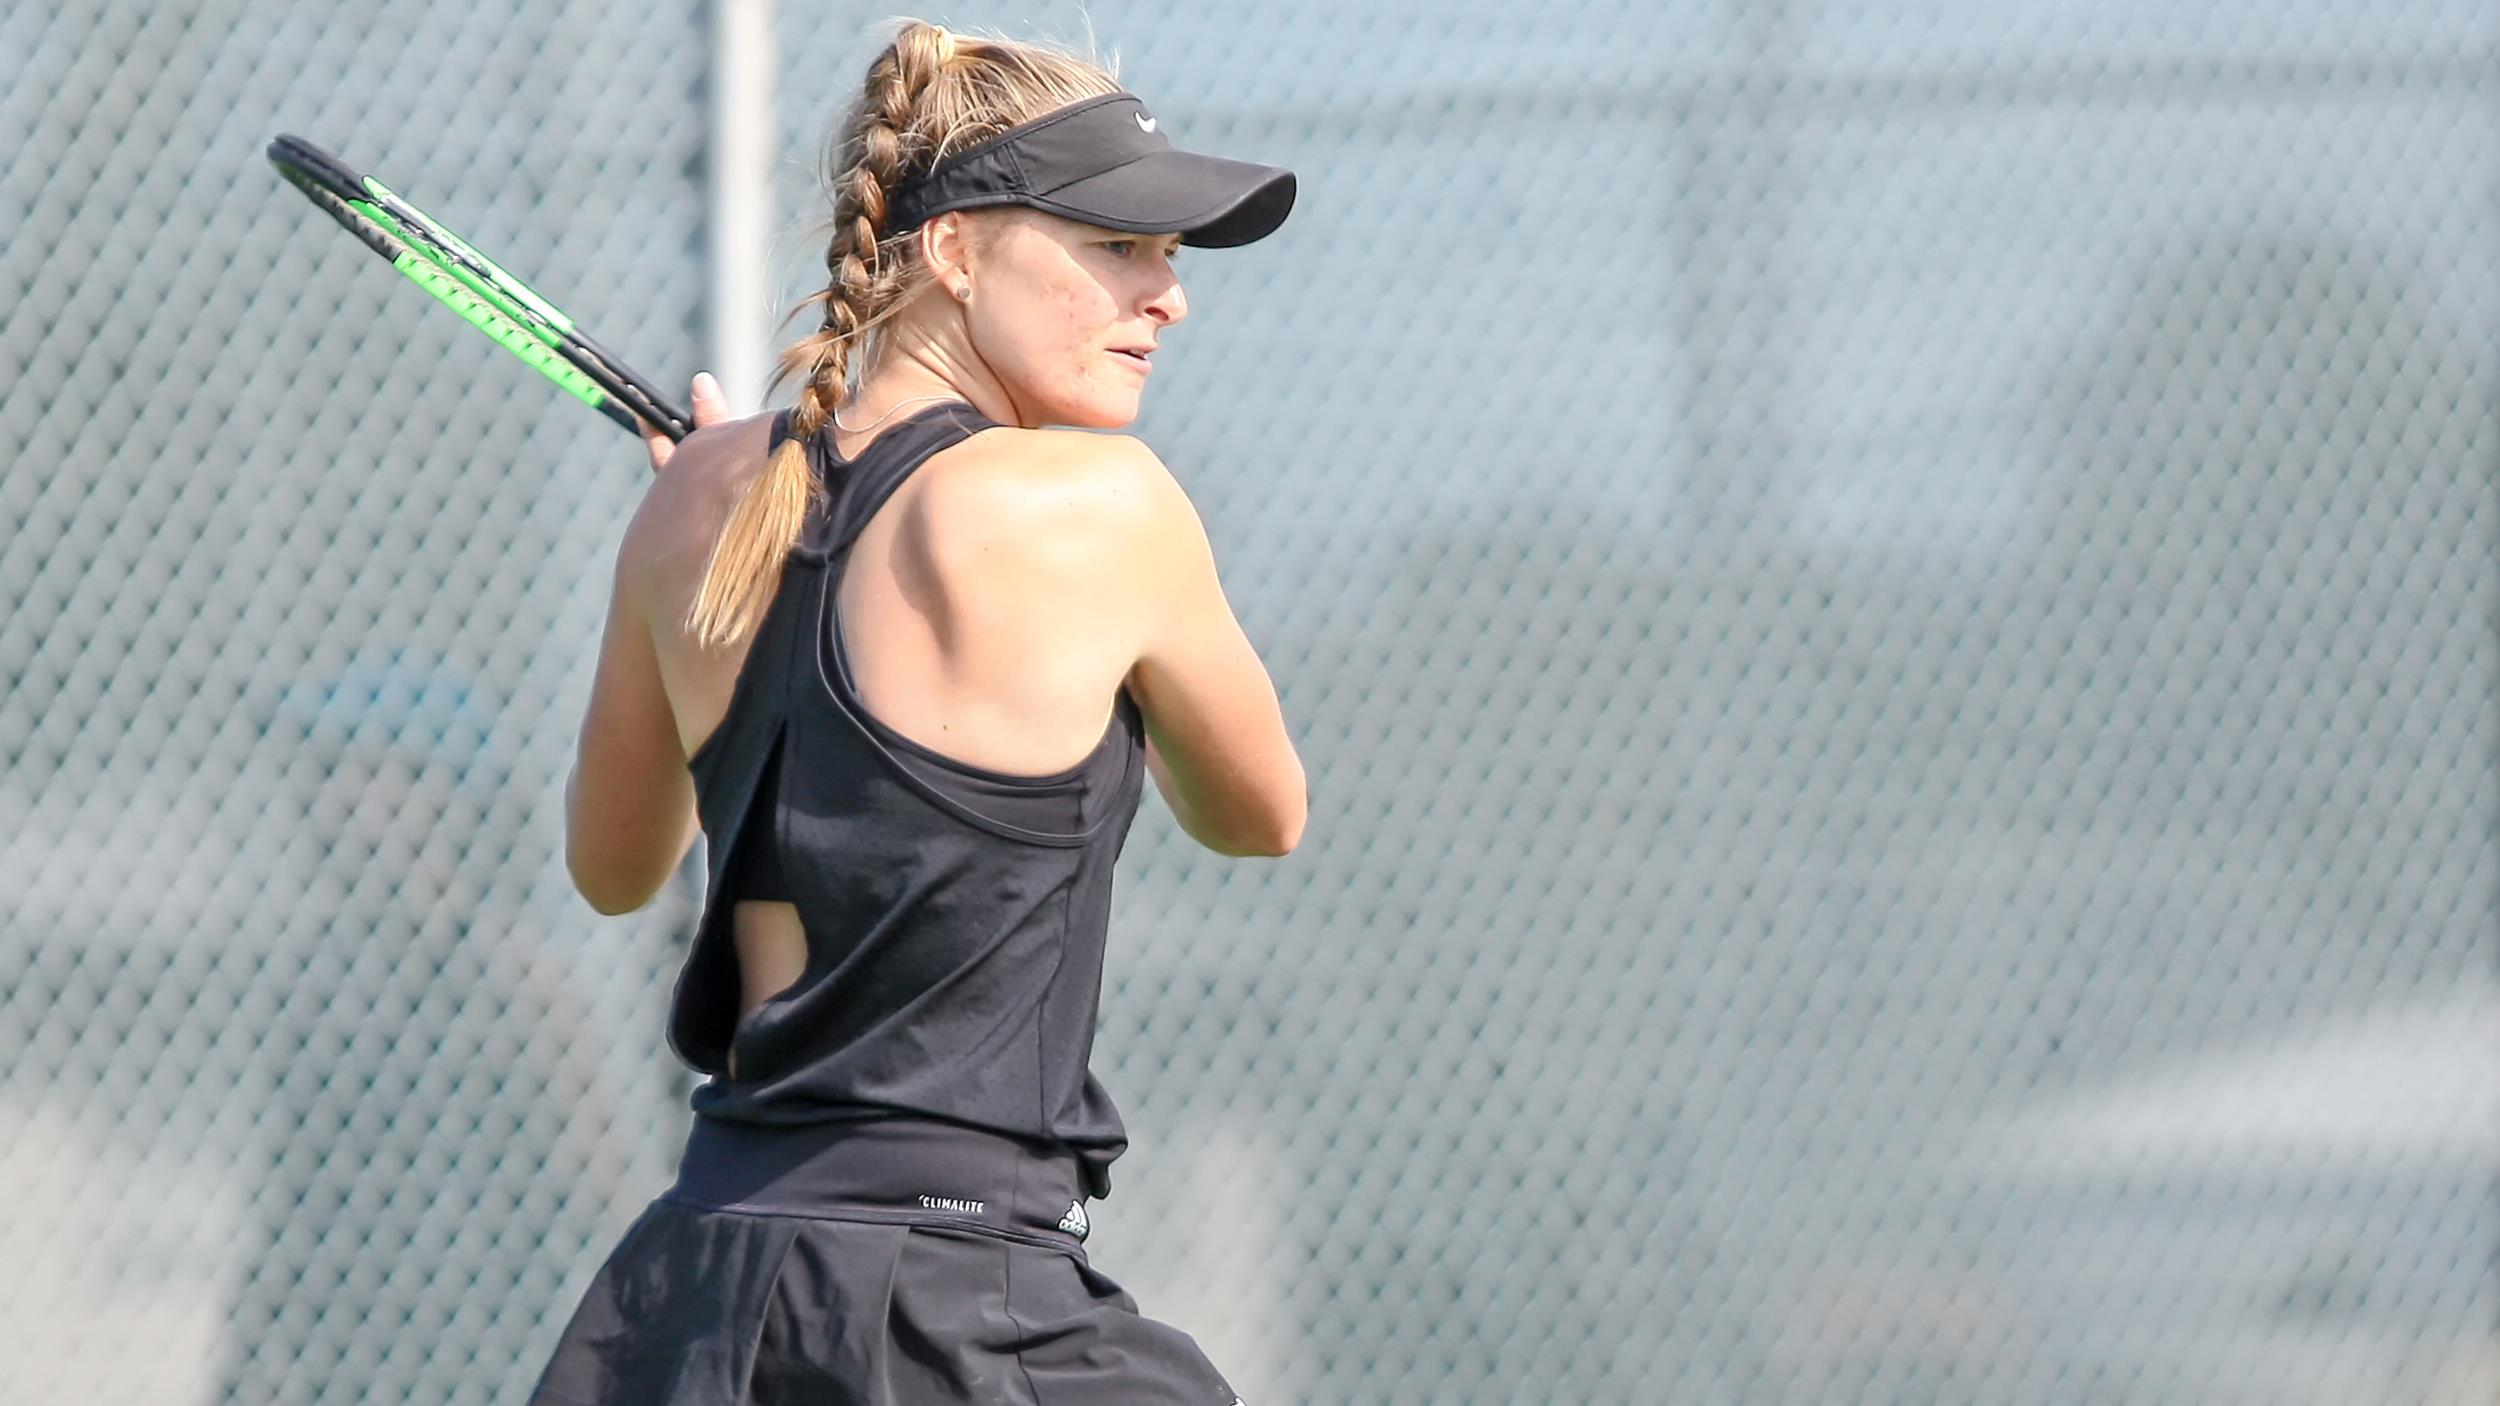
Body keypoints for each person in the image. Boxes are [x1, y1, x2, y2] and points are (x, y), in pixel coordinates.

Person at [529, 19, 1305, 1405]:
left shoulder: (693, 502)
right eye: (1118, 246)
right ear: (950, 252)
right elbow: (1261, 813)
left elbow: (614, 867)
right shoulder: (1105, 508)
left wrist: (715, 500)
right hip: (952, 1310)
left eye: (1168, 254)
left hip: (689, 1301)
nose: (1168, 296)